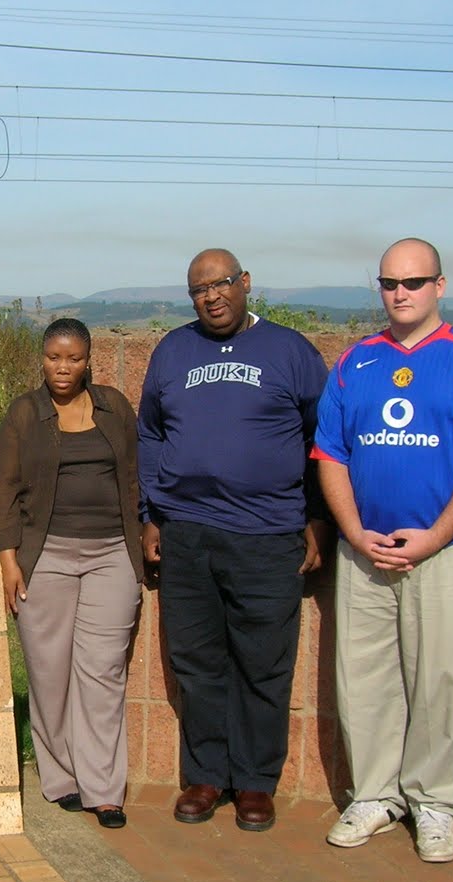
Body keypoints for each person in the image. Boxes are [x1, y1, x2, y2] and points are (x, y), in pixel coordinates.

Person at [312, 238, 453, 863]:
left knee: (443, 680)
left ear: (440, 286)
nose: (401, 294)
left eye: (414, 283)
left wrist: (437, 536)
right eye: (390, 283)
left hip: (446, 550)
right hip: (366, 551)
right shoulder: (355, 363)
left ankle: (435, 804)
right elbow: (332, 455)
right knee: (364, 678)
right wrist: (351, 530)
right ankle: (373, 794)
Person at [138, 248, 329, 832]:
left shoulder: (290, 352)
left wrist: (318, 518)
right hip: (188, 533)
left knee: (263, 662)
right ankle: (205, 776)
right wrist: (151, 513)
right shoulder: (173, 350)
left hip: (267, 535)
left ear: (245, 283)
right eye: (199, 290)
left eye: (221, 285)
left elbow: (326, 439)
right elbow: (150, 433)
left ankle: (253, 782)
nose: (211, 297)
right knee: (197, 660)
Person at [0, 319, 143, 829]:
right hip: (46, 555)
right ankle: (61, 777)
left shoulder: (114, 407)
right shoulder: (24, 413)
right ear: (42, 358)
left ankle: (103, 788)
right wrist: (9, 560)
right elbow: (5, 492)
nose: (63, 368)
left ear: (88, 360)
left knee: (102, 670)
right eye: (54, 357)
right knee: (49, 670)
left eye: (73, 358)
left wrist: (145, 533)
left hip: (110, 556)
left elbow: (134, 476)